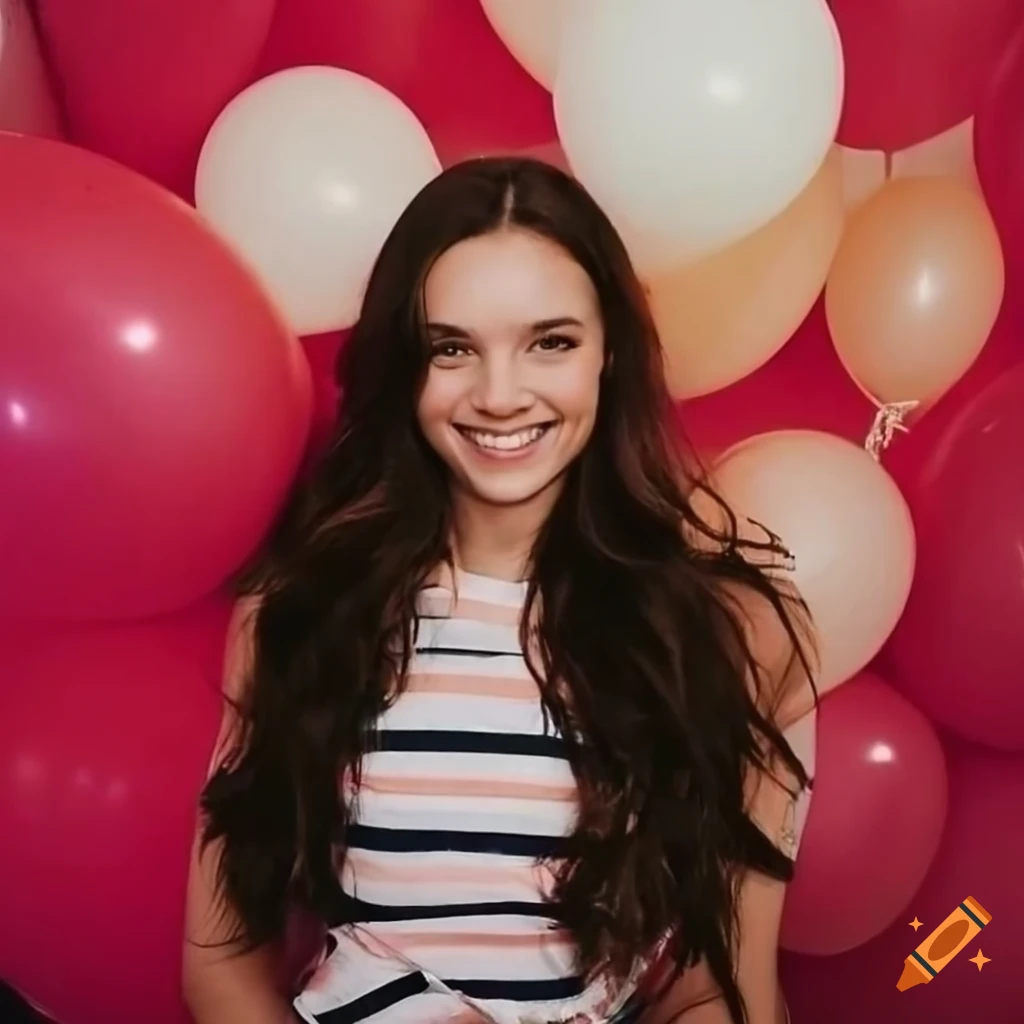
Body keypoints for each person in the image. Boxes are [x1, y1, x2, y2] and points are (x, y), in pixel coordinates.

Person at [182, 156, 817, 1024]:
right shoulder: (297, 614)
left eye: (550, 341)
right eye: (452, 348)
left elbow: (724, 991)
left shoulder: (739, 634)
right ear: (406, 369)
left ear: (611, 352)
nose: (500, 395)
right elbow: (218, 973)